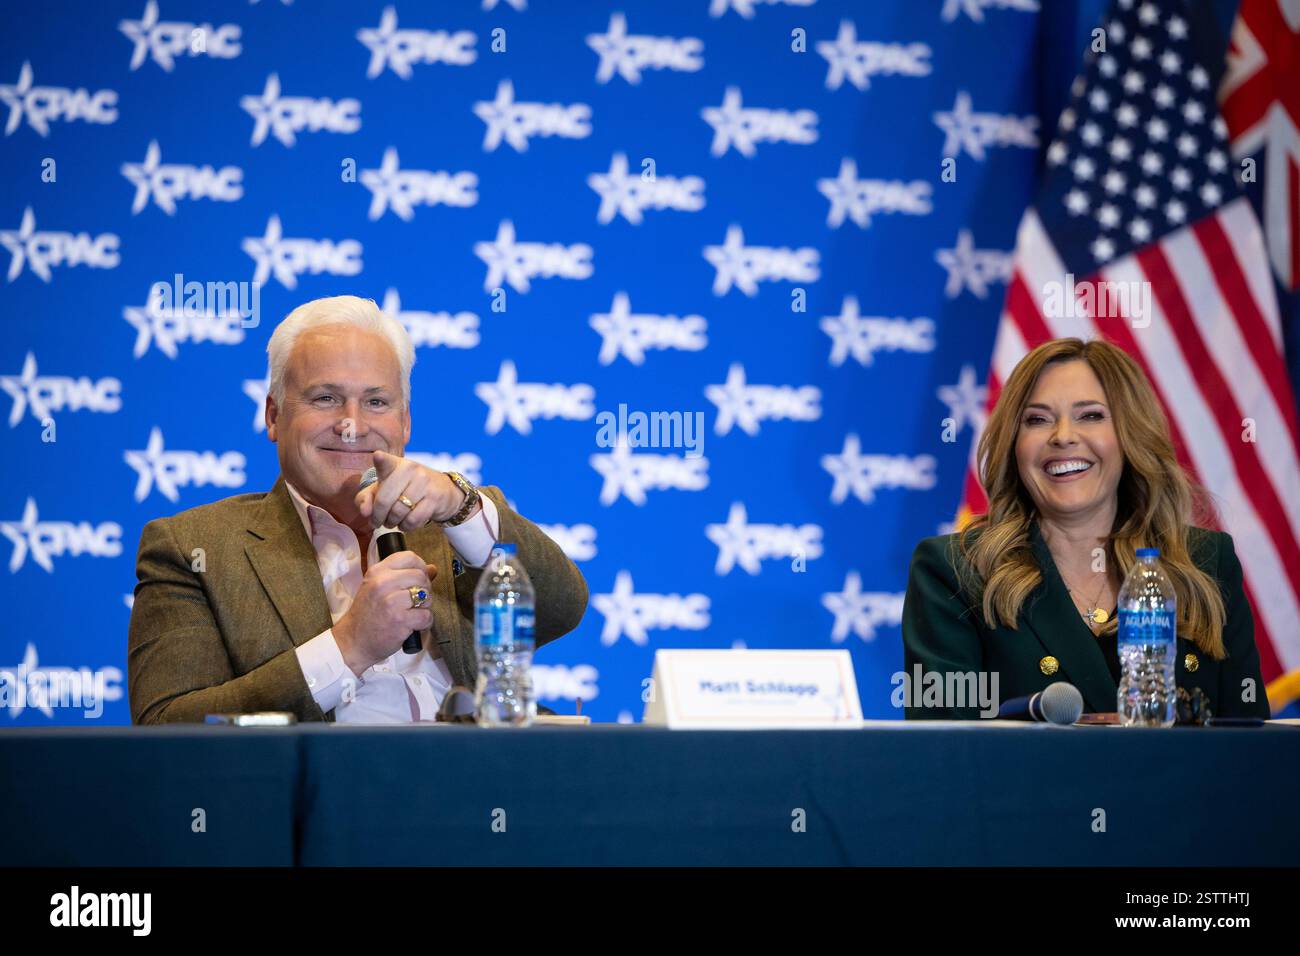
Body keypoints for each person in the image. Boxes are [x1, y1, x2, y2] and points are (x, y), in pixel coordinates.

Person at [128, 295, 588, 724]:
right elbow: (168, 729)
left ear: (404, 421)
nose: (352, 425)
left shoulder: (456, 518)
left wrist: (461, 506)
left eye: (376, 402)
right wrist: (349, 646)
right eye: (325, 398)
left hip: (481, 788)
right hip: (325, 800)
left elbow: (561, 609)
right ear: (273, 415)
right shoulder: (194, 548)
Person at [902, 338, 1269, 720]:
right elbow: (943, 752)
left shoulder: (1208, 563)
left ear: (1131, 435)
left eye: (1090, 416)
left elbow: (1247, 745)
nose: (1062, 436)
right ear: (1014, 444)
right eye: (1037, 419)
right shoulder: (953, 571)